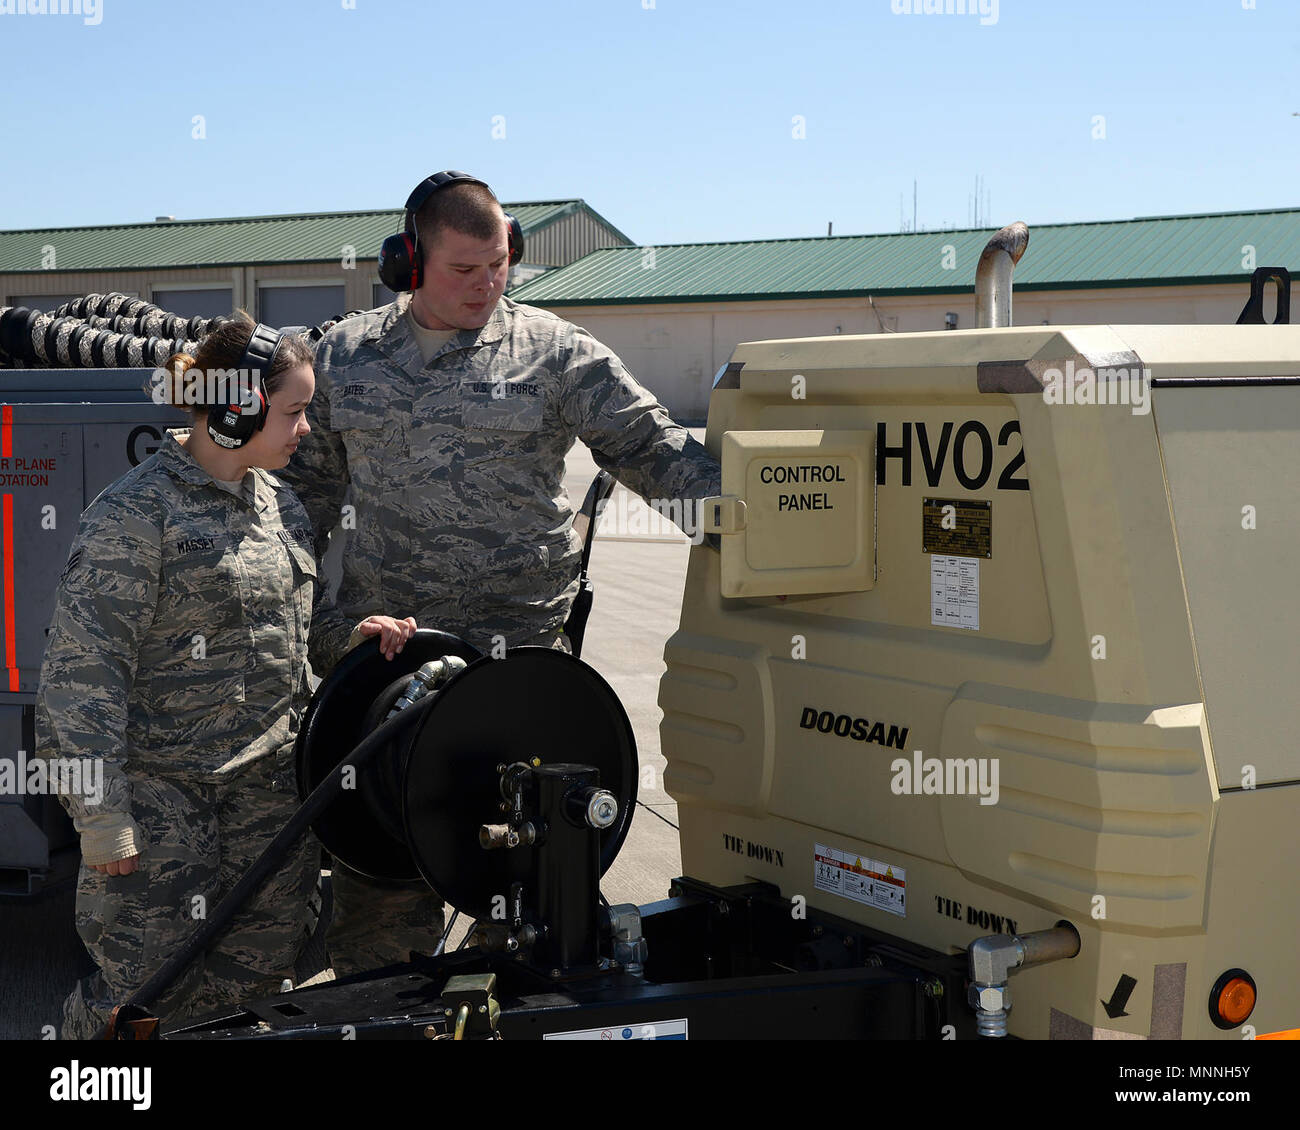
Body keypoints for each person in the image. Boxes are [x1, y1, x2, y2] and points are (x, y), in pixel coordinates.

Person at [276, 171, 722, 976]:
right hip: (391, 673)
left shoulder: (555, 354)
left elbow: (654, 453)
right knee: (383, 903)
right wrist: (307, 628)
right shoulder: (346, 359)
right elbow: (294, 505)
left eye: (500, 264)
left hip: (519, 676)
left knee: (534, 903)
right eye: (463, 269)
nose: (486, 285)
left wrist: (760, 526)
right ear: (411, 258)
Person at [34, 312, 416, 1038]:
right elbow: (83, 679)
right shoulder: (135, 514)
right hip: (162, 806)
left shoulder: (281, 506)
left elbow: (303, 629)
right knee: (143, 992)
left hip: (268, 803)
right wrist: (105, 821)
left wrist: (353, 638)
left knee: (256, 981)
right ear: (238, 407)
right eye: (295, 411)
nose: (306, 429)